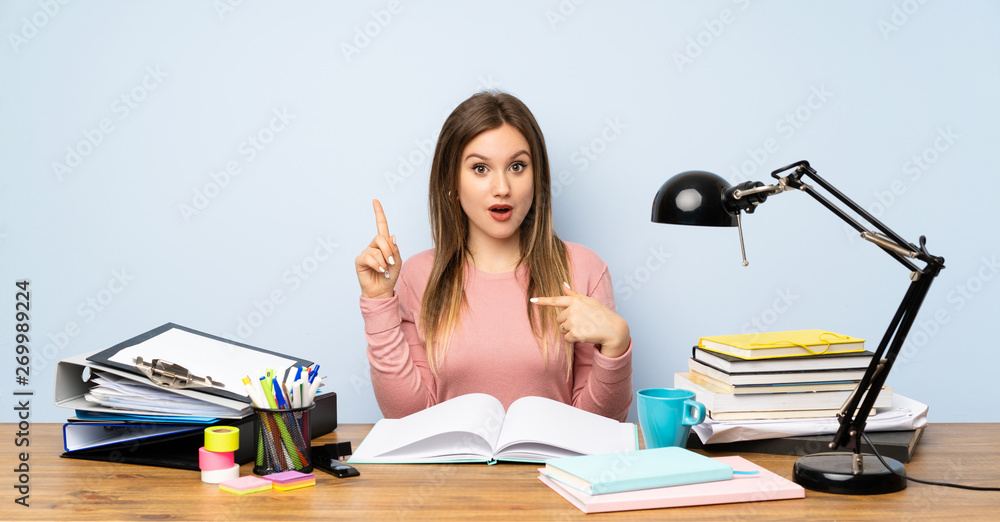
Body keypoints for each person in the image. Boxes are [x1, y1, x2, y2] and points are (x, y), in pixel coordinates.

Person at [355, 91, 632, 421]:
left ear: (537, 177)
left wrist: (617, 346)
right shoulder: (418, 276)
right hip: (449, 472)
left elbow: (599, 426)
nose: (502, 187)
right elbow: (407, 418)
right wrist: (378, 302)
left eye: (517, 166)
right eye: (480, 168)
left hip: (551, 470)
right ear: (451, 183)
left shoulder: (584, 269)